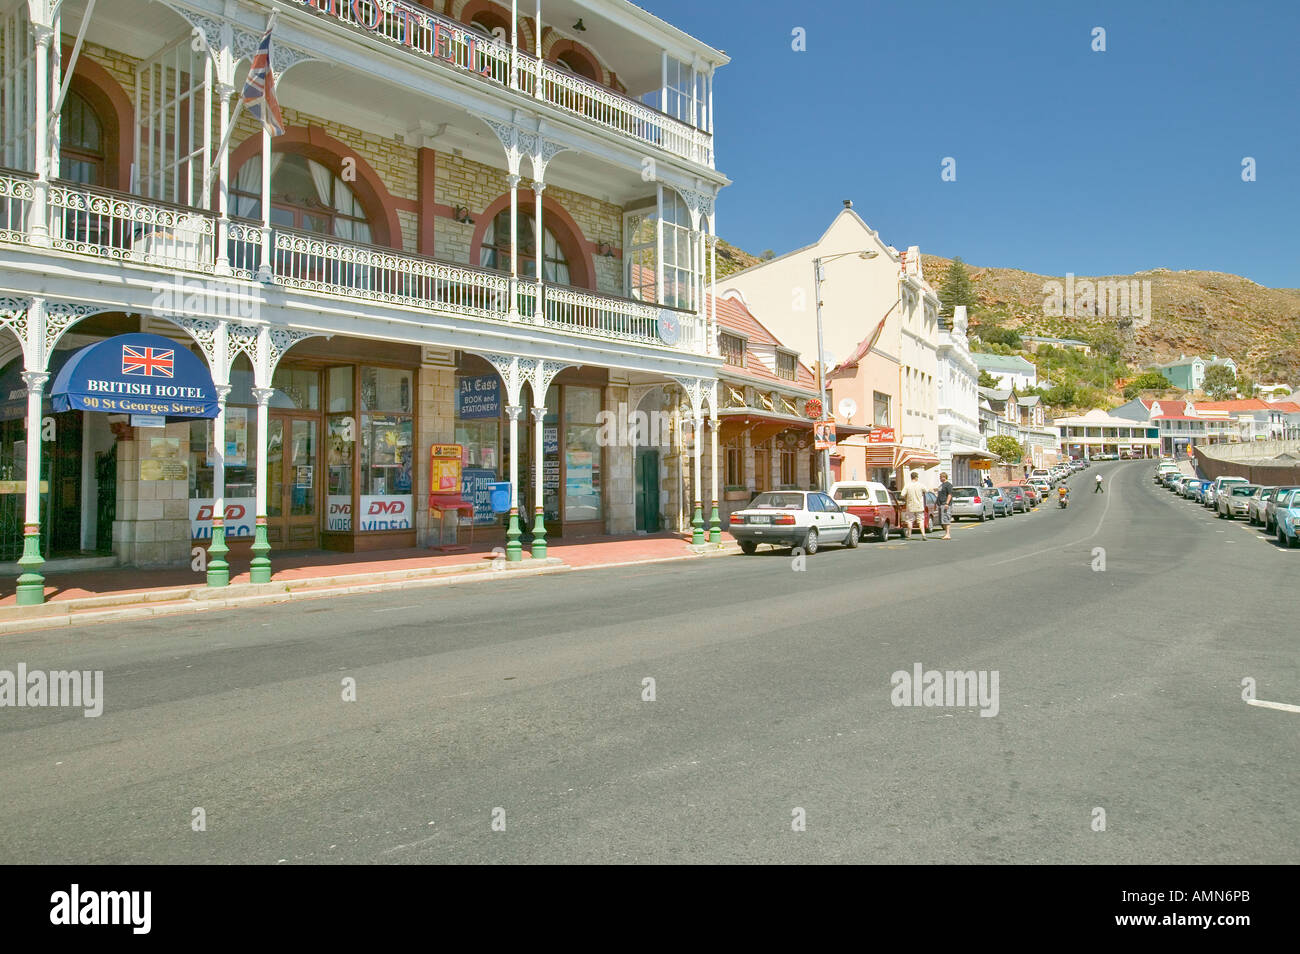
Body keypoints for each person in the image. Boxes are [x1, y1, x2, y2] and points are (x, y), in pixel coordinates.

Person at [902, 470, 928, 540]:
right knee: (921, 520)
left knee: (910, 520)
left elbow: (902, 494)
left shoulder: (907, 485)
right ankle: (923, 534)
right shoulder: (920, 485)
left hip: (910, 505)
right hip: (919, 505)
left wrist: (906, 498)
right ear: (916, 477)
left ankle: (909, 535)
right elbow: (926, 490)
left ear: (911, 477)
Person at [935, 471, 954, 540]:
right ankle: (946, 533)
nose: (940, 478)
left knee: (946, 518)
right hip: (941, 504)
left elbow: (950, 494)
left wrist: (947, 503)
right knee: (943, 519)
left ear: (944, 477)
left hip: (945, 504)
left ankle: (948, 534)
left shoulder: (948, 485)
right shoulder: (941, 485)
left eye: (941, 477)